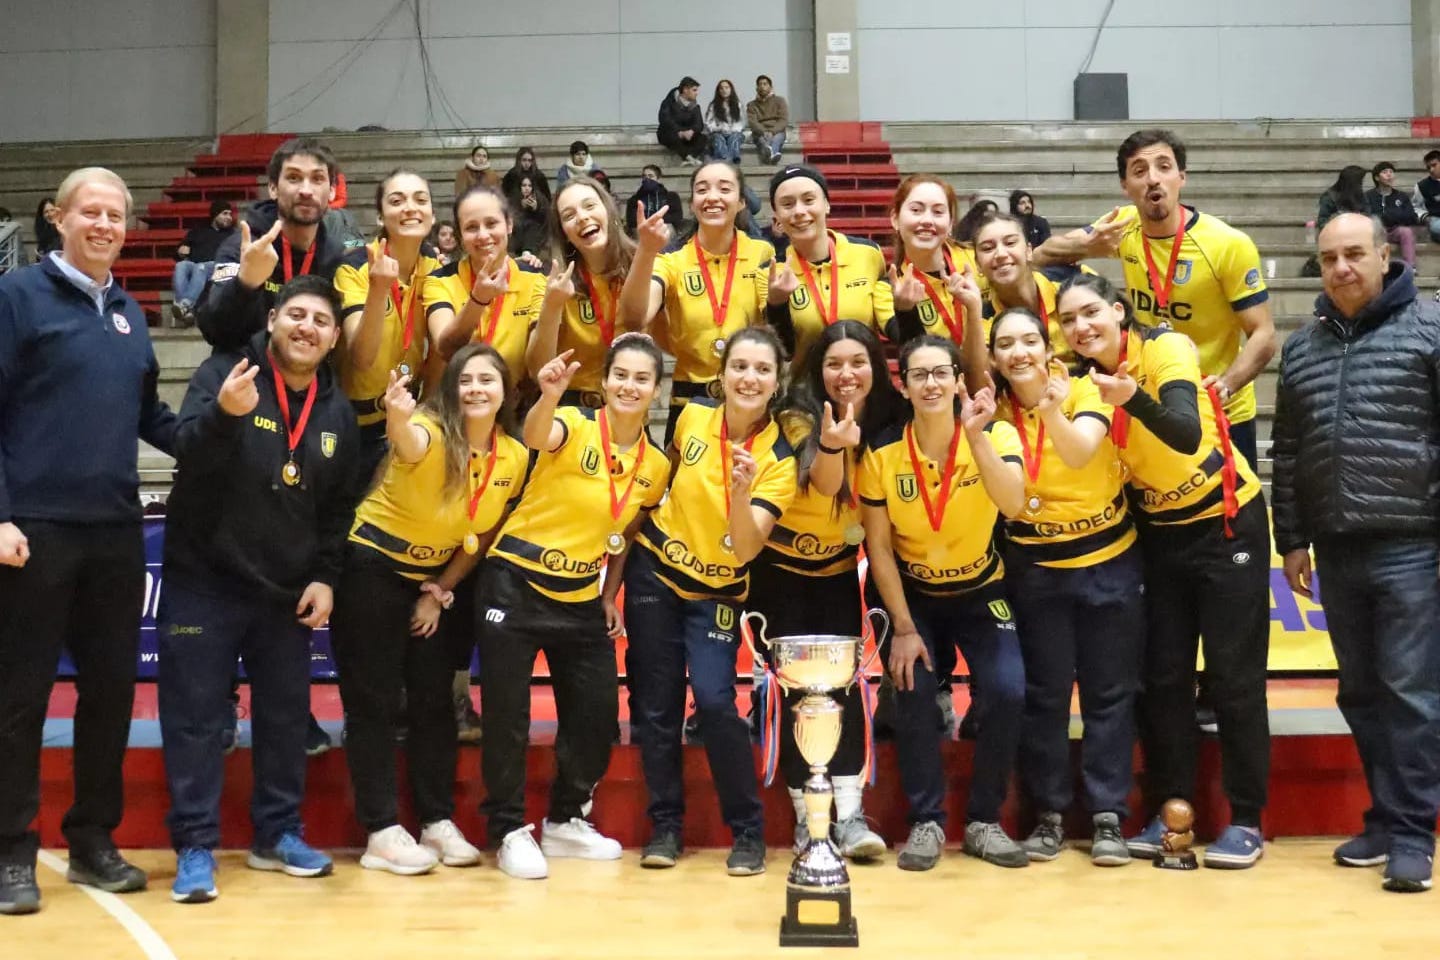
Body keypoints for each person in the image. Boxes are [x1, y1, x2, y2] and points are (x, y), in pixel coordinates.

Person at [0, 168, 177, 915]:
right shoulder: (16, 297)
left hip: (114, 533)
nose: (105, 223)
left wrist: (226, 429)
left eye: (116, 214)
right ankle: (11, 851)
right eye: (91, 211)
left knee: (110, 695)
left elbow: (151, 420)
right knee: (19, 700)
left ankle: (93, 841)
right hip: (32, 533)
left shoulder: (130, 316)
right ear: (59, 218)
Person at [1056, 272, 1271, 869]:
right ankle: (1171, 812)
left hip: (1226, 524)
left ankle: (1248, 819)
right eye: (1069, 320)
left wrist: (1131, 399)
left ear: (1120, 312)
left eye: (1092, 311)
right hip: (1159, 536)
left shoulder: (1165, 348)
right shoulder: (1082, 385)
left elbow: (1183, 431)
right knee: (1164, 680)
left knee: (1232, 679)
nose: (1082, 327)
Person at [159, 275, 359, 903]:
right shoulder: (227, 371)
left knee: (282, 720)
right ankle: (195, 845)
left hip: (285, 591)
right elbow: (186, 451)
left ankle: (277, 834)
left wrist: (326, 575)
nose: (307, 327)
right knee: (193, 720)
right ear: (273, 320)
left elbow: (337, 510)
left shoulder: (337, 411)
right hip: (205, 581)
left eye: (321, 321)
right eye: (296, 315)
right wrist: (224, 415)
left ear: (333, 339)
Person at [1273, 211, 1440, 893]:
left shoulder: (1430, 328)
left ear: (1383, 256)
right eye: (1329, 258)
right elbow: (1286, 452)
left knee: (1411, 697)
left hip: (1412, 545)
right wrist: (1291, 540)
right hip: (1336, 550)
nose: (1341, 268)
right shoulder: (1303, 348)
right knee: (1363, 694)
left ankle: (1410, 836)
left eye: (1354, 255)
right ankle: (1383, 817)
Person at [331, 343, 528, 876]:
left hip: (431, 585)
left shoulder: (514, 456)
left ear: (505, 390)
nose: (476, 389)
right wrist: (396, 418)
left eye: (487, 379)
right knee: (371, 701)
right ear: (451, 389)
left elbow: (480, 534)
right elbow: (409, 442)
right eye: (466, 380)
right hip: (371, 569)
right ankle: (379, 829)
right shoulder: (430, 429)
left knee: (433, 702)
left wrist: (440, 589)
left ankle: (435, 819)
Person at [480, 334, 672, 879]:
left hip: (580, 597)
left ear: (656, 389)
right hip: (513, 583)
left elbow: (625, 532)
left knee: (594, 716)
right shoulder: (574, 423)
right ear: (605, 381)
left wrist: (609, 594)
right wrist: (546, 396)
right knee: (508, 716)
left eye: (642, 378)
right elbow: (537, 435)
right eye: (621, 376)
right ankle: (510, 829)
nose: (629, 386)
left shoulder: (655, 465)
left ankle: (566, 819)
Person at [621, 327, 798, 876]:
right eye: (739, 367)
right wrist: (613, 581)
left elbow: (746, 550)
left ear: (776, 382)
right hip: (655, 573)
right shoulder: (693, 415)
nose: (749, 378)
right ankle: (665, 826)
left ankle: (748, 832)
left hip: (718, 590)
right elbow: (655, 494)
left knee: (717, 703)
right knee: (656, 705)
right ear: (722, 376)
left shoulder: (781, 458)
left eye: (761, 370)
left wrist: (743, 492)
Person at [857, 335, 1028, 871]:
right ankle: (926, 821)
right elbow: (878, 547)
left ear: (959, 381)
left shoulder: (996, 433)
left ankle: (983, 821)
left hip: (982, 589)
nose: (931, 384)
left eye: (941, 374)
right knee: (913, 687)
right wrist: (903, 628)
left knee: (1007, 690)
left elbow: (1015, 504)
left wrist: (976, 440)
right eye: (919, 375)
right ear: (902, 386)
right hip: (913, 597)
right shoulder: (882, 454)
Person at [985, 308, 1142, 867]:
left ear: (1047, 346)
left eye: (1029, 339)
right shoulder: (994, 413)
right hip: (1036, 570)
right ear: (995, 357)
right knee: (1045, 697)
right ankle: (1048, 815)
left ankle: (1107, 816)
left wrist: (1049, 408)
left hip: (1109, 562)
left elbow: (1079, 453)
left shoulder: (1085, 389)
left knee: (1108, 695)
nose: (1019, 352)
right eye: (1006, 344)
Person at [751, 320, 903, 861]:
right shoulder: (795, 415)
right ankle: (805, 818)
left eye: (858, 362)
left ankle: (852, 813)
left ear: (874, 369)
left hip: (840, 570)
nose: (846, 374)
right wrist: (836, 445)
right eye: (834, 364)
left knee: (846, 691)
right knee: (793, 696)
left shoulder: (891, 418)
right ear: (818, 371)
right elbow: (823, 480)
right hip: (780, 573)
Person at [1036, 129, 1274, 473]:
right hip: (1152, 403)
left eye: (1164, 167)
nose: (1152, 179)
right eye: (1139, 171)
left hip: (1218, 407)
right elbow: (1041, 254)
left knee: (1233, 516)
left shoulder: (1227, 244)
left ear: (1181, 177)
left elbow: (1264, 334)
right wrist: (1088, 245)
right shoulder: (1123, 227)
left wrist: (1225, 386)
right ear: (1125, 186)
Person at [620, 161, 774, 443]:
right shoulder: (671, 259)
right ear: (692, 204)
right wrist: (645, 252)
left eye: (724, 189)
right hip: (688, 399)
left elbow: (775, 327)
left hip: (750, 393)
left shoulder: (762, 252)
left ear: (741, 202)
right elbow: (635, 318)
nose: (712, 196)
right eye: (702, 190)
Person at [333, 168, 441, 480]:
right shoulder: (354, 268)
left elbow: (442, 352)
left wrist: (426, 414)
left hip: (410, 420)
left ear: (432, 215)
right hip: (356, 427)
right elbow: (362, 359)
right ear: (381, 217)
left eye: (420, 200)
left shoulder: (437, 271)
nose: (410, 207)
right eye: (397, 200)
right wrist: (379, 289)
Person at [197, 138, 348, 353]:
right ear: (273, 187)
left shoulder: (335, 256)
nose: (306, 190)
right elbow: (213, 331)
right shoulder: (243, 247)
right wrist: (245, 284)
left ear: (332, 191)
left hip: (306, 380)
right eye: (294, 178)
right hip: (246, 376)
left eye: (317, 179)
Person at [765, 165, 897, 371]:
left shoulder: (868, 254)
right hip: (805, 394)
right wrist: (777, 304)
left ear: (827, 204)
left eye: (809, 200)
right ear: (777, 217)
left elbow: (888, 324)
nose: (799, 211)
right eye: (787, 204)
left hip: (866, 387)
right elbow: (785, 351)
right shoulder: (770, 273)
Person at [527, 176, 635, 409]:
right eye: (569, 215)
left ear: (609, 210)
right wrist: (552, 306)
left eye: (589, 206)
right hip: (574, 416)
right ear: (564, 233)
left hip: (631, 410)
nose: (582, 217)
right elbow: (537, 369)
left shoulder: (645, 266)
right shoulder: (551, 281)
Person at [887, 175, 985, 376]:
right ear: (895, 219)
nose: (927, 220)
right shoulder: (888, 287)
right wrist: (904, 311)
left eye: (938, 212)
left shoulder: (977, 261)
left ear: (950, 224)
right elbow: (912, 353)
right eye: (916, 210)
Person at [170, 201, 237, 326]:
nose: (229, 217)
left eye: (230, 214)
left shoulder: (232, 234)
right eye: (225, 214)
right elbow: (178, 252)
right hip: (196, 266)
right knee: (181, 266)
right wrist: (180, 251)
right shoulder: (198, 231)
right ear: (215, 215)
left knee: (201, 267)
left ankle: (185, 305)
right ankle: (187, 313)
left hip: (220, 268)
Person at [1366, 162, 1419, 268]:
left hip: (1395, 230)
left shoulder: (1401, 196)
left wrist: (1389, 216)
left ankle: (1410, 267)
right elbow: (1368, 216)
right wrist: (1394, 215)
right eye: (1385, 172)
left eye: (1391, 172)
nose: (1389, 175)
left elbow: (1412, 217)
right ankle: (1377, 267)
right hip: (1376, 231)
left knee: (1406, 232)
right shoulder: (1368, 196)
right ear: (1377, 178)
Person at [657, 76, 707, 166]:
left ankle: (690, 158)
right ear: (685, 90)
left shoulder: (695, 106)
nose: (697, 93)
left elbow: (699, 124)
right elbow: (665, 120)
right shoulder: (668, 103)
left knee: (703, 138)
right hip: (670, 133)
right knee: (671, 136)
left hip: (687, 134)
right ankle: (688, 157)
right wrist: (680, 132)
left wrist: (691, 131)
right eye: (694, 90)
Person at [624, 165, 684, 237]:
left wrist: (654, 220)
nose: (647, 179)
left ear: (658, 179)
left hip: (664, 230)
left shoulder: (671, 197)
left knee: (668, 228)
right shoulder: (634, 199)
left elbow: (676, 217)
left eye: (650, 176)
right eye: (644, 176)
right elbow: (631, 221)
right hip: (643, 231)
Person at [746, 74, 789, 165]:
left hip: (777, 131)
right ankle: (772, 156)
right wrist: (764, 131)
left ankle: (769, 155)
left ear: (771, 87)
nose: (762, 86)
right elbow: (752, 122)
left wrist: (772, 131)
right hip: (760, 132)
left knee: (777, 138)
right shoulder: (752, 105)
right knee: (761, 140)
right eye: (760, 84)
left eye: (765, 84)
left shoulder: (780, 101)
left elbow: (783, 119)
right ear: (757, 88)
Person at [509, 175, 550, 261]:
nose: (527, 188)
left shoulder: (540, 197)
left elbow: (546, 218)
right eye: (524, 185)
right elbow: (510, 216)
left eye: (529, 186)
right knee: (521, 224)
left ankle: (527, 251)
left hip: (535, 231)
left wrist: (536, 208)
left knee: (532, 225)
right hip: (518, 230)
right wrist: (521, 207)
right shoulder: (514, 198)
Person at [1318, 165, 1368, 233]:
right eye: (1360, 182)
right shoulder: (1329, 197)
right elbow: (1322, 222)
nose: (1361, 184)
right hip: (1337, 234)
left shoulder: (1360, 195)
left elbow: (1367, 214)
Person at [706, 79, 745, 164]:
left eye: (727, 88)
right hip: (719, 132)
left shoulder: (738, 104)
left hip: (734, 132)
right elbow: (709, 123)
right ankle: (724, 160)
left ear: (731, 89)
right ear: (718, 91)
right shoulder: (713, 105)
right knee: (718, 139)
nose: (724, 90)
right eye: (721, 88)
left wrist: (732, 130)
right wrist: (719, 128)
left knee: (734, 138)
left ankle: (731, 160)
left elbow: (741, 122)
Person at [1410, 149, 1440, 243]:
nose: (1431, 169)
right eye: (1428, 167)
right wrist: (1425, 217)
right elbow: (1415, 207)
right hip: (1436, 219)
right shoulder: (1422, 186)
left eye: (1434, 165)